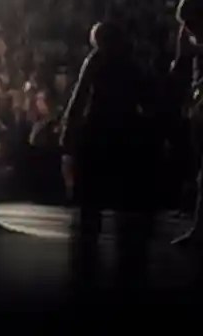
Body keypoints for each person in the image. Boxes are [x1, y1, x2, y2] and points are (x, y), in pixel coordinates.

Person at [60, 22, 159, 281]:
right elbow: (147, 99)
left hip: (97, 128)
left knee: (91, 202)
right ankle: (128, 268)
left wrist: (68, 130)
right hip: (124, 130)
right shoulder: (132, 63)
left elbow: (79, 96)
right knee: (122, 199)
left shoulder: (95, 60)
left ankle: (87, 263)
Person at [169, 0, 203, 248]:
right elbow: (180, 68)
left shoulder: (195, 41)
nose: (189, 29)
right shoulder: (191, 38)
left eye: (192, 23)